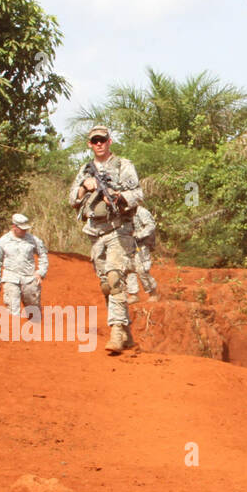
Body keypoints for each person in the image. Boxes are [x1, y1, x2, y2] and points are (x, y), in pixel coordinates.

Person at [69, 125, 142, 353]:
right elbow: (72, 200)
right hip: (95, 232)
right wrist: (84, 187)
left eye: (102, 140)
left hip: (118, 230)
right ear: (90, 144)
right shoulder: (85, 169)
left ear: (110, 141)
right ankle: (127, 332)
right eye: (95, 141)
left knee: (114, 277)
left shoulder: (123, 165)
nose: (99, 143)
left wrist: (120, 197)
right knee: (106, 285)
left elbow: (139, 194)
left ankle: (116, 332)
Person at [0, 213, 48, 318]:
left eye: (25, 228)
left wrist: (41, 272)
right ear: (14, 227)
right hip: (10, 277)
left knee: (33, 311)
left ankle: (34, 330)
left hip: (29, 278)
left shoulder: (34, 240)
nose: (24, 231)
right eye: (21, 229)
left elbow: (43, 255)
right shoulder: (3, 241)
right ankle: (14, 332)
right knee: (13, 310)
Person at [127, 204, 159, 301]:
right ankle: (133, 294)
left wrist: (139, 235)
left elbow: (151, 226)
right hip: (129, 244)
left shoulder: (142, 212)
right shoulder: (124, 212)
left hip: (142, 244)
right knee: (129, 268)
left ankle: (153, 293)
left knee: (142, 269)